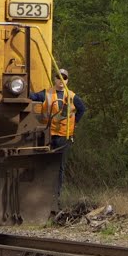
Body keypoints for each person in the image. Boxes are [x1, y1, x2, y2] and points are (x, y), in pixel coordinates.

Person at [31, 68, 86, 199]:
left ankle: (56, 196)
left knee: (59, 167)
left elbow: (82, 109)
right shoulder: (47, 93)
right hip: (48, 135)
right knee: (44, 164)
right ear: (54, 79)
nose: (61, 80)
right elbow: (33, 97)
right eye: (59, 77)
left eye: (64, 77)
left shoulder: (72, 96)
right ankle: (41, 193)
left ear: (67, 80)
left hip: (63, 136)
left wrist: (74, 124)